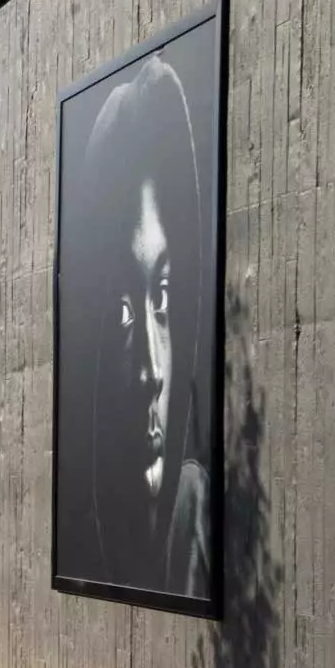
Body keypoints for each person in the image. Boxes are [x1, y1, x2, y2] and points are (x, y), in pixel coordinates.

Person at [71, 50, 211, 599]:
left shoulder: (196, 517)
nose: (150, 373)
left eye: (162, 296)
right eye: (123, 313)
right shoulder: (83, 543)